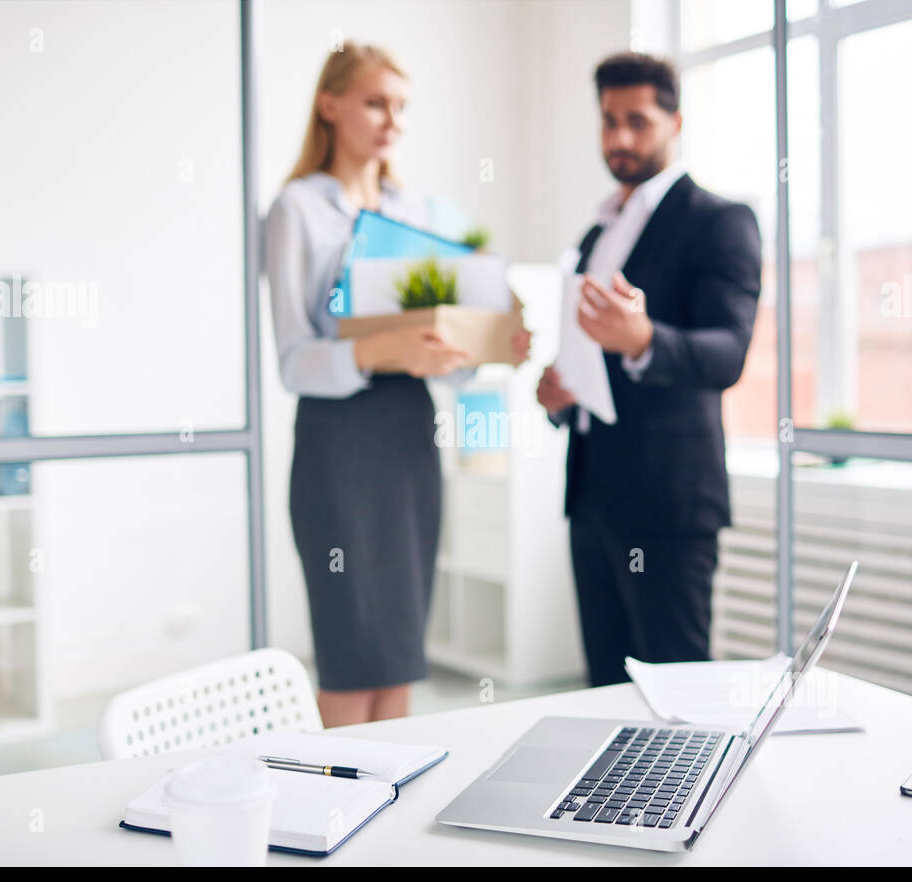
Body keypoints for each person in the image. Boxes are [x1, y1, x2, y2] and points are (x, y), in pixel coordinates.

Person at [265, 41, 528, 727]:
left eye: (402, 108)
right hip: (338, 444)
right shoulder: (296, 210)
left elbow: (450, 346)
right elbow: (294, 360)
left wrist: (491, 340)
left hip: (410, 437)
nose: (392, 121)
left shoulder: (419, 213)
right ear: (331, 105)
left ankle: (389, 810)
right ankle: (335, 816)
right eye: (376, 102)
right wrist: (383, 350)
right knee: (353, 651)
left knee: (400, 652)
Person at [536, 52, 761, 687]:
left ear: (676, 121)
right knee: (603, 692)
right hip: (591, 499)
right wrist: (558, 393)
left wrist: (642, 340)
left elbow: (728, 354)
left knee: (679, 697)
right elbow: (585, 361)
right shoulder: (593, 235)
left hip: (668, 506)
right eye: (608, 121)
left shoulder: (720, 221)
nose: (620, 138)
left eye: (637, 120)